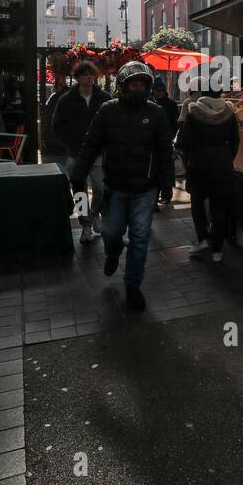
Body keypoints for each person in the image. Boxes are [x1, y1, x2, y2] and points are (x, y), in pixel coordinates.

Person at [69, 60, 174, 311]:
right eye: (133, 83)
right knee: (111, 233)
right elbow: (91, 144)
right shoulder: (107, 110)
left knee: (139, 239)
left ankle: (133, 286)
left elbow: (164, 151)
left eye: (142, 84)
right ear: (123, 86)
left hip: (145, 190)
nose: (138, 87)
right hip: (115, 187)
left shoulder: (156, 113)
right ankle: (113, 254)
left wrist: (167, 183)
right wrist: (79, 172)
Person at [177, 90, 240, 263]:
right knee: (219, 206)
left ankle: (202, 239)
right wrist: (227, 157)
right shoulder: (228, 112)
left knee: (197, 202)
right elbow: (235, 140)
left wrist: (190, 157)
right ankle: (217, 249)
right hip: (222, 163)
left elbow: (184, 141)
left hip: (199, 163)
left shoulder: (194, 112)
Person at [51, 61, 110, 245]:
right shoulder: (66, 99)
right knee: (79, 191)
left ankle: (94, 215)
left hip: (98, 152)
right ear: (77, 77)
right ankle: (85, 225)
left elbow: (112, 123)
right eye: (85, 75)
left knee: (101, 189)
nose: (89, 78)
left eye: (91, 74)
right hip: (76, 153)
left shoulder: (104, 97)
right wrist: (70, 143)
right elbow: (57, 126)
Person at [152, 81, 180, 207]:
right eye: (156, 91)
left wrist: (171, 135)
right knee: (155, 170)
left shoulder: (171, 104)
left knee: (167, 169)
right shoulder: (150, 104)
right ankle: (155, 197)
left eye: (160, 91)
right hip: (152, 142)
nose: (158, 93)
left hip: (166, 141)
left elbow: (175, 122)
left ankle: (167, 195)